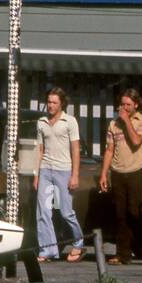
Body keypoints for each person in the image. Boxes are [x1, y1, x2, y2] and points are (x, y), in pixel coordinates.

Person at [100, 88, 142, 264]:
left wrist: (127, 122)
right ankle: (123, 254)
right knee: (120, 214)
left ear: (136, 105)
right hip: (118, 171)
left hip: (135, 171)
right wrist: (103, 174)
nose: (124, 108)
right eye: (122, 104)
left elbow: (137, 141)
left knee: (134, 212)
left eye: (128, 104)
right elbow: (109, 150)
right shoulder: (113, 124)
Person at [34, 87, 86, 262]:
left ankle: (79, 243)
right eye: (48, 102)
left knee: (66, 212)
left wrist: (75, 175)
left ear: (61, 103)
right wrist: (36, 175)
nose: (50, 105)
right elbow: (39, 151)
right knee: (43, 211)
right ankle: (47, 250)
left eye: (54, 102)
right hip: (45, 170)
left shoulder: (69, 121)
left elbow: (75, 150)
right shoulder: (41, 122)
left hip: (64, 170)